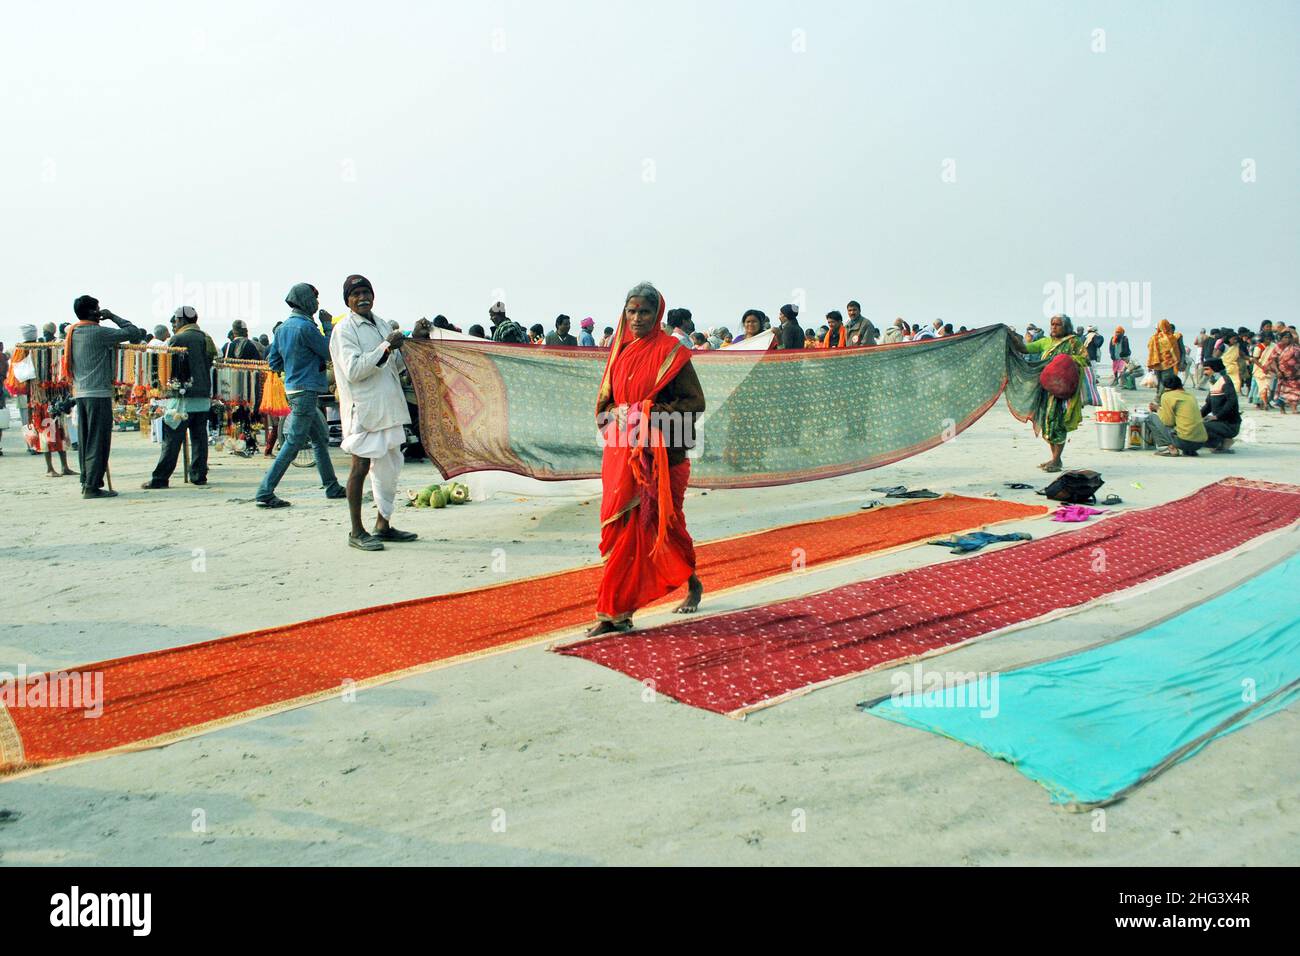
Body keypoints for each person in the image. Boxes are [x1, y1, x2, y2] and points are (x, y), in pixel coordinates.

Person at [587, 281, 704, 637]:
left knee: (664, 525)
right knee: (624, 530)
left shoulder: (672, 353)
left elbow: (693, 404)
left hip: (664, 458)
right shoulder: (618, 354)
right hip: (623, 457)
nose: (637, 318)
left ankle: (619, 611)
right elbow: (603, 409)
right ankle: (617, 611)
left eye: (645, 312)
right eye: (631, 311)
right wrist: (618, 415)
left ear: (658, 315)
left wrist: (647, 413)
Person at [329, 275, 418, 551]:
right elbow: (354, 370)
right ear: (348, 300)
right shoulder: (344, 330)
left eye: (366, 292)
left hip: (389, 408)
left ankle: (383, 524)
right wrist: (387, 346)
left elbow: (396, 366)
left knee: (390, 467)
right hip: (364, 410)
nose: (362, 297)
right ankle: (356, 531)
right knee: (361, 467)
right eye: (356, 294)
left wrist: (414, 341)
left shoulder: (381, 324)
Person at [255, 284, 346, 507]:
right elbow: (329, 350)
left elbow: (274, 362)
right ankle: (265, 492)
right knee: (294, 443)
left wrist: (294, 366)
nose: (317, 304)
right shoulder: (307, 327)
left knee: (320, 438)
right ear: (306, 301)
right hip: (306, 391)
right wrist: (328, 325)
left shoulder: (283, 328)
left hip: (294, 389)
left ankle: (331, 485)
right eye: (315, 299)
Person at [64, 296, 147, 497]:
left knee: (86, 441)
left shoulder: (72, 332)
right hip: (97, 394)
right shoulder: (98, 332)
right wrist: (112, 316)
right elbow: (134, 332)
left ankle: (87, 481)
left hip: (81, 393)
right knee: (98, 441)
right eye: (98, 310)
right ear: (94, 313)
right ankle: (92, 486)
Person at [141, 306, 216, 489]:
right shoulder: (206, 338)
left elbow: (170, 368)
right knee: (199, 439)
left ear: (182, 320)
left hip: (183, 399)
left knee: (172, 440)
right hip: (203, 397)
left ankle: (161, 478)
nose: (173, 324)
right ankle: (199, 475)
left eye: (174, 320)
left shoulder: (178, 339)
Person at [1012, 313, 1087, 473]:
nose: (1054, 327)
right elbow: (1024, 348)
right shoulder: (1045, 342)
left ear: (1066, 327)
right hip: (1046, 389)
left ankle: (1056, 460)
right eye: (1052, 324)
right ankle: (1055, 458)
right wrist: (1010, 336)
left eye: (1058, 324)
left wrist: (1066, 360)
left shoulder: (1074, 342)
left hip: (1063, 391)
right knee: (1047, 423)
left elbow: (1084, 359)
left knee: (1057, 422)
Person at [1146, 375, 1207, 457]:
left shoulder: (1167, 396)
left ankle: (1169, 448)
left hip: (1184, 441)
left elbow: (1168, 422)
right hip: (1200, 442)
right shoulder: (1190, 396)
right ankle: (1189, 451)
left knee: (1151, 418)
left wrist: (1157, 409)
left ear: (1166, 388)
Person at [1200, 359, 1240, 452]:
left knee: (1201, 426)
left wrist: (1217, 416)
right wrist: (1197, 416)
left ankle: (1222, 442)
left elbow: (1232, 401)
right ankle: (1221, 442)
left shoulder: (1225, 380)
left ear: (1215, 369)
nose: (1205, 372)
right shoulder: (1213, 382)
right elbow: (1208, 405)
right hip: (1219, 421)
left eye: (1207, 369)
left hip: (1230, 424)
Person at [1146, 319, 1181, 399]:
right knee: (1165, 382)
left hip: (1156, 363)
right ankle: (1159, 397)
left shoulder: (1153, 338)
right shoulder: (1171, 337)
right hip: (1168, 364)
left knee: (1159, 381)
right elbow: (1175, 351)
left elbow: (1149, 348)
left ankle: (1158, 395)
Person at [1266, 329, 1299, 413]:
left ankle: (1294, 409)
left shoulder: (1295, 347)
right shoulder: (1278, 347)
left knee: (1296, 391)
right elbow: (1272, 360)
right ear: (1281, 338)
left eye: (1289, 337)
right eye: (1285, 337)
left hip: (1295, 374)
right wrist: (1277, 371)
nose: (1287, 339)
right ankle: (1282, 408)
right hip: (1282, 374)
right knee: (1282, 391)